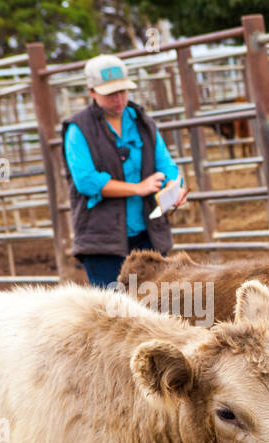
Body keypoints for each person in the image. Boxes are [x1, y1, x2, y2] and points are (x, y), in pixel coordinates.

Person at [61, 54, 189, 288]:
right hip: (103, 239)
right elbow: (86, 181)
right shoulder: (79, 129)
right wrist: (138, 188)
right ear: (92, 92)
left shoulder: (142, 122)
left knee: (155, 305)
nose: (118, 99)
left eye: (123, 91)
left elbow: (166, 163)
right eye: (110, 94)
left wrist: (174, 186)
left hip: (147, 234)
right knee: (113, 308)